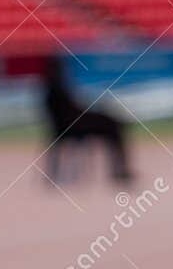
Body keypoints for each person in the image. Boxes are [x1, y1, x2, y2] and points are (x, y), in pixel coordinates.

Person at [40, 55, 134, 185]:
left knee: (111, 122)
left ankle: (120, 171)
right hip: (71, 127)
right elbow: (71, 113)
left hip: (68, 125)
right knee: (112, 125)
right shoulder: (56, 88)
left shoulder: (52, 86)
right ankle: (120, 170)